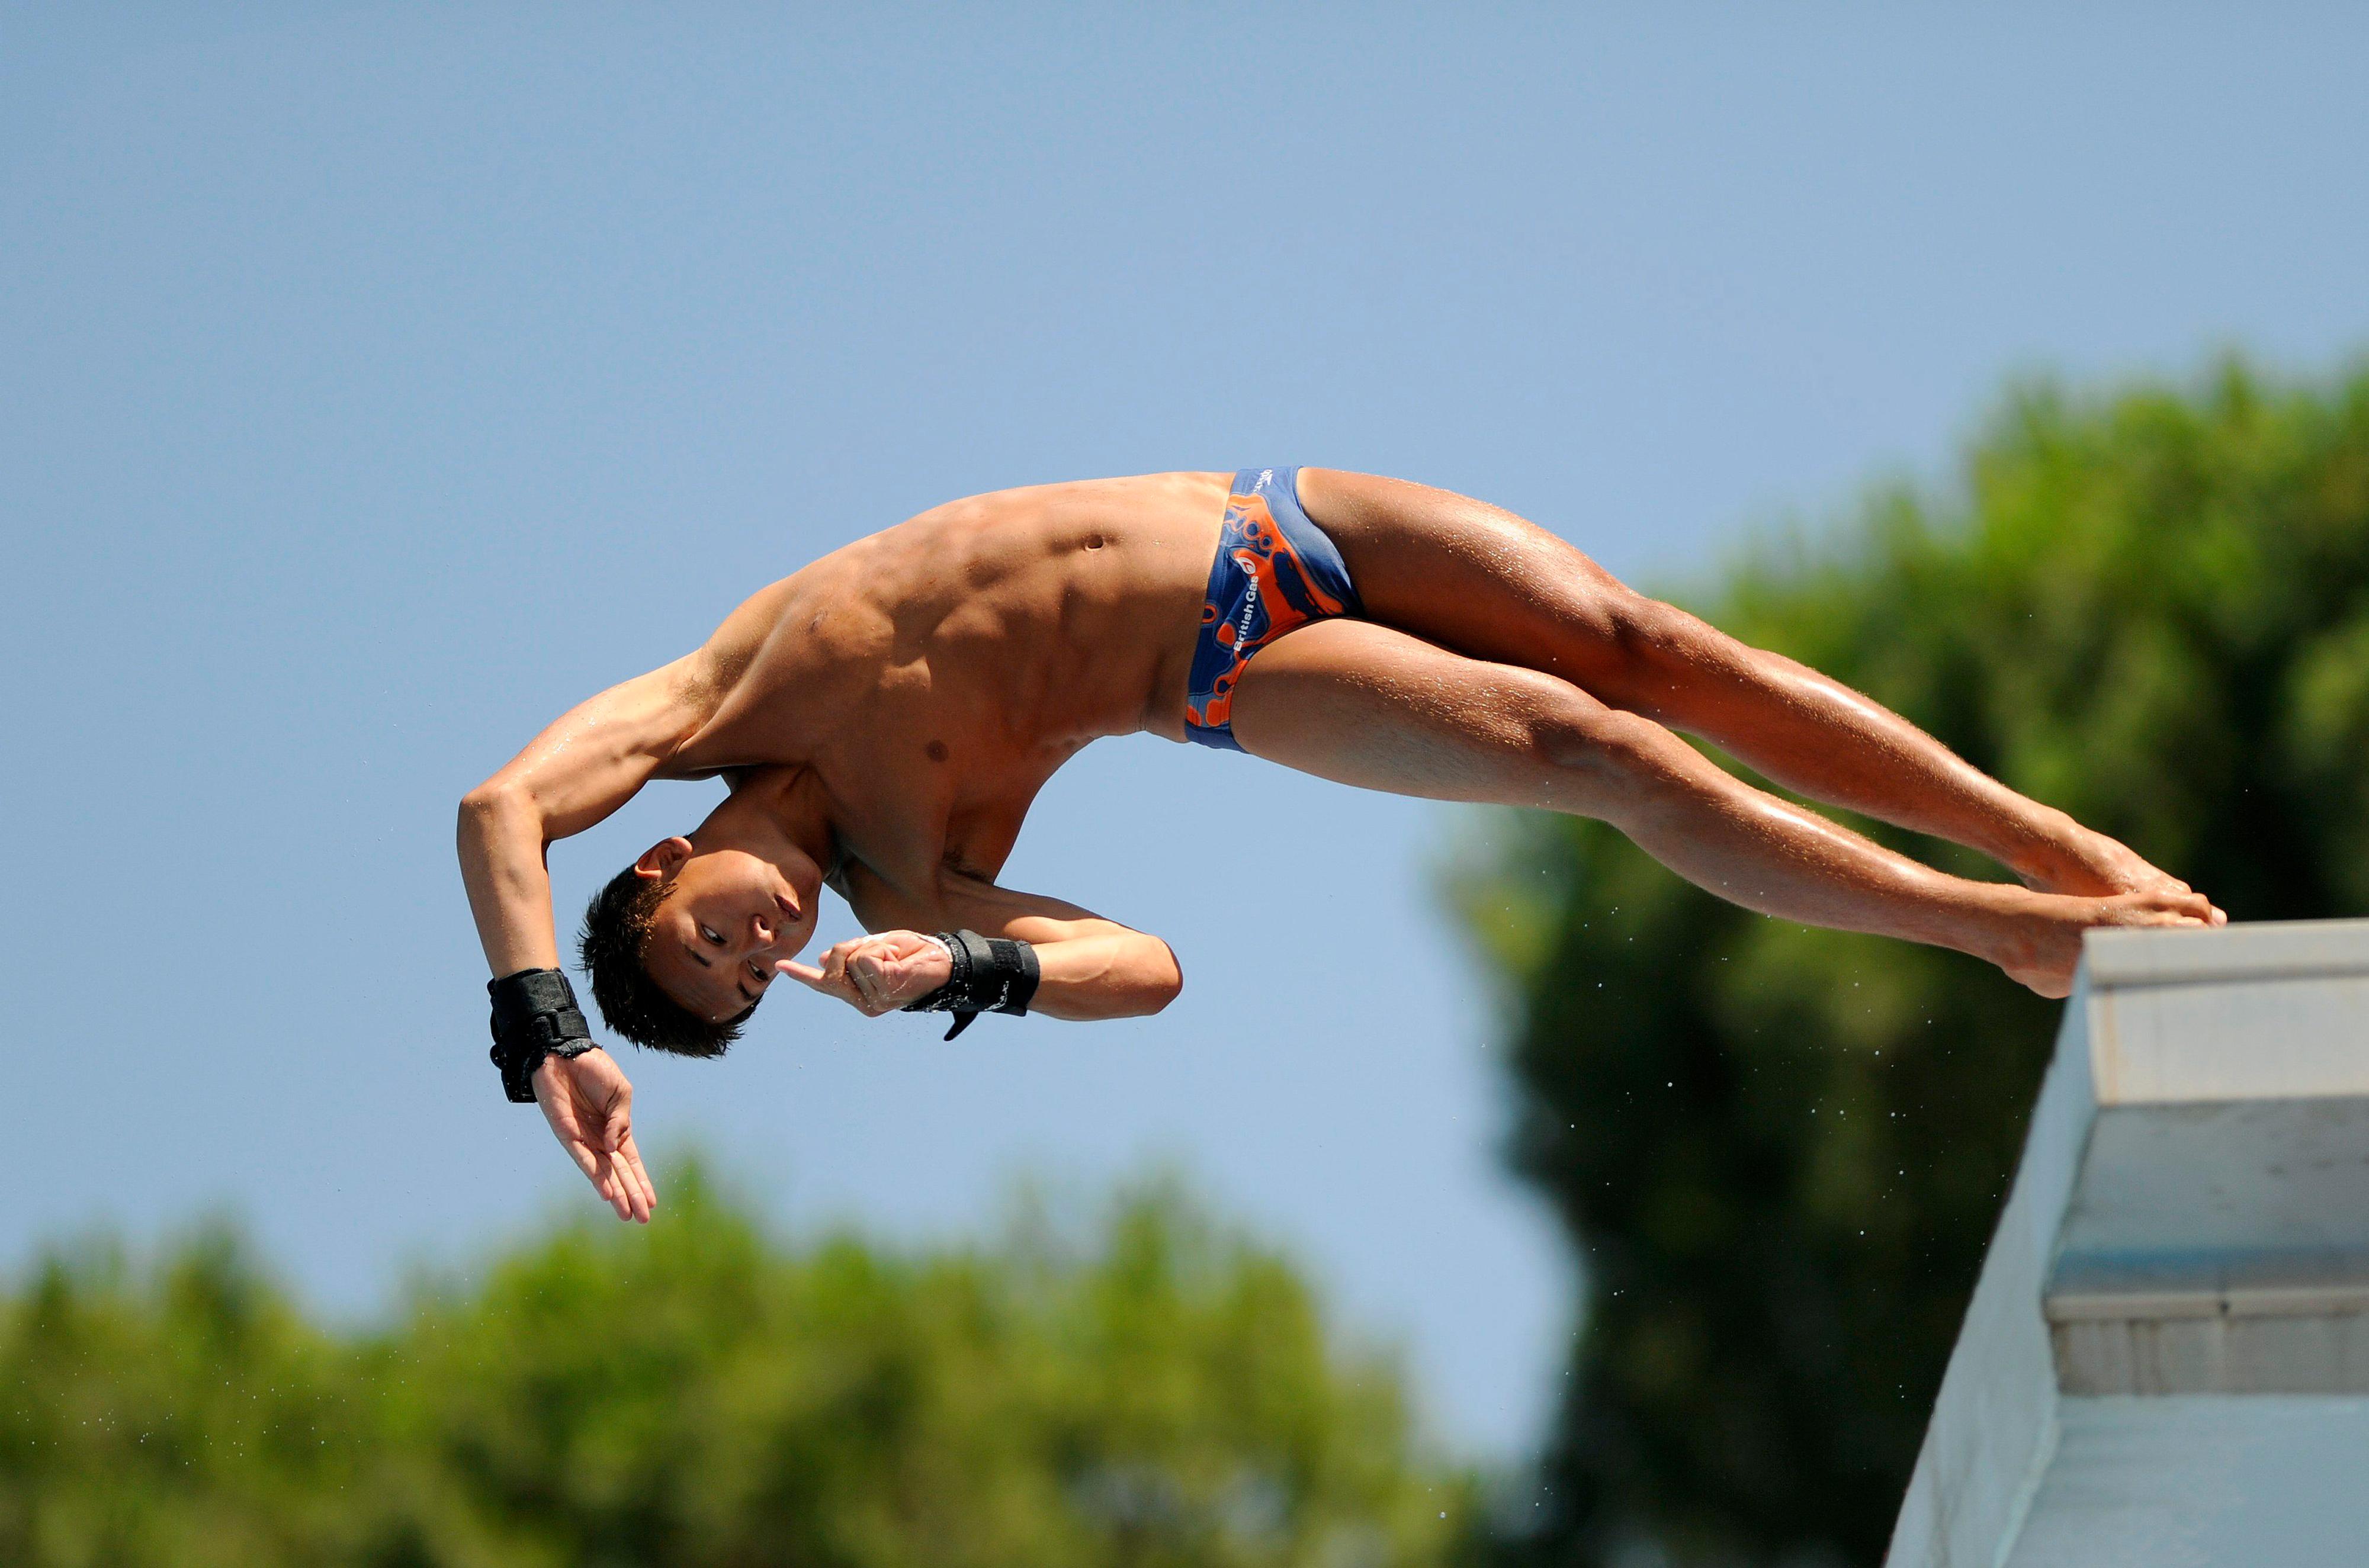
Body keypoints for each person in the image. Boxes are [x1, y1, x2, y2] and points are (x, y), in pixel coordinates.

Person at [458, 468, 2223, 1222]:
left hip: (1267, 514)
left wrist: (556, 1031)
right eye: (748, 983)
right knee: (1594, 749)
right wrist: (969, 969)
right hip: (1233, 665)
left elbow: (500, 807)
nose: (758, 947)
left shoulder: (711, 697)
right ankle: (1998, 927)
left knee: (1647, 645)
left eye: (710, 942)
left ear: (651, 867)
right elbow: (1145, 970)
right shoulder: (908, 883)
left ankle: (2060, 845)